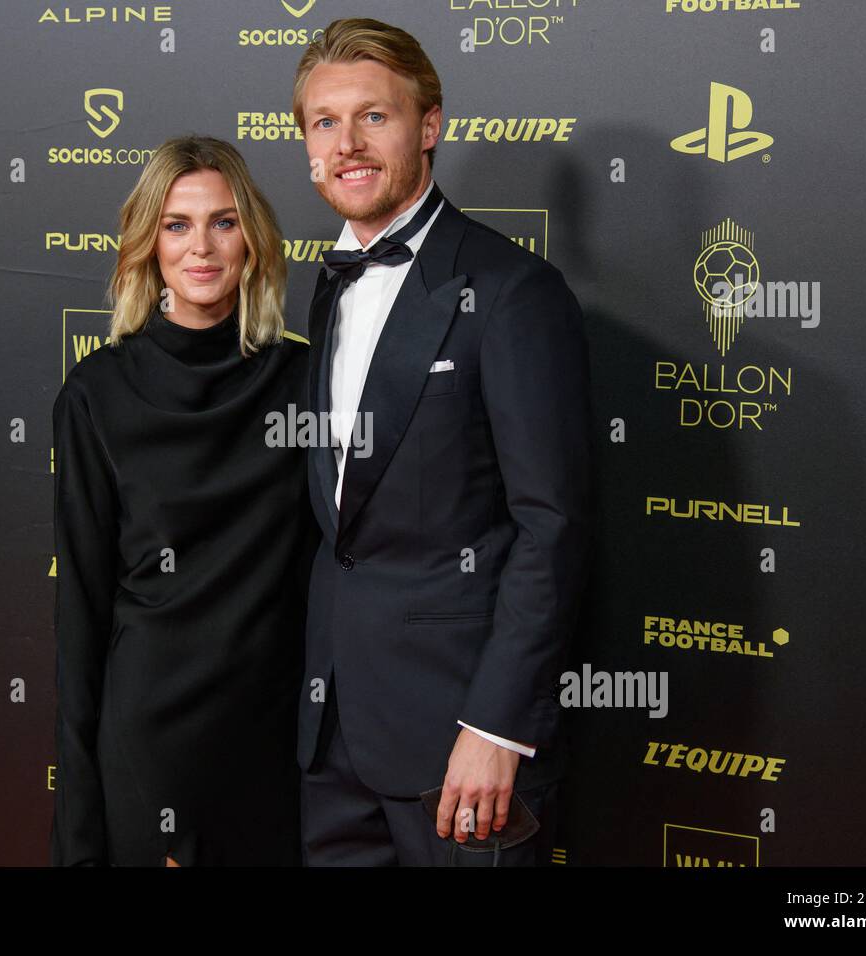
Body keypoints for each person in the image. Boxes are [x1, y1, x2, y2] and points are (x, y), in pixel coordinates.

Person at [292, 19, 592, 865]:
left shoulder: (511, 292)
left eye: (373, 117)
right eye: (323, 122)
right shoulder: (327, 288)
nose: (346, 144)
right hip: (331, 737)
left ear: (429, 126)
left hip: (461, 749)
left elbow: (552, 527)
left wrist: (498, 724)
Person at [49, 136, 315, 867]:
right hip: (154, 745)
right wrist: (77, 831)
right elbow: (81, 610)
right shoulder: (96, 395)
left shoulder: (305, 382)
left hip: (274, 745)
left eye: (224, 222)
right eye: (177, 224)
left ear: (252, 240)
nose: (202, 246)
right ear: (147, 243)